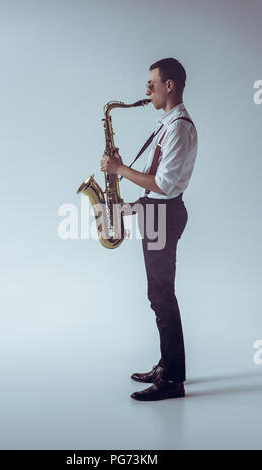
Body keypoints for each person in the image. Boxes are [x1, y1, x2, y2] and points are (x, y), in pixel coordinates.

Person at [100, 58, 198, 401]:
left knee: (162, 297)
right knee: (158, 295)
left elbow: (164, 184)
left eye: (151, 84)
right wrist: (128, 207)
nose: (146, 91)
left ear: (169, 85)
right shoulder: (167, 124)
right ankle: (168, 365)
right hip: (158, 210)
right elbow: (154, 188)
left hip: (166, 213)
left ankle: (172, 381)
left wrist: (120, 168)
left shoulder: (180, 127)